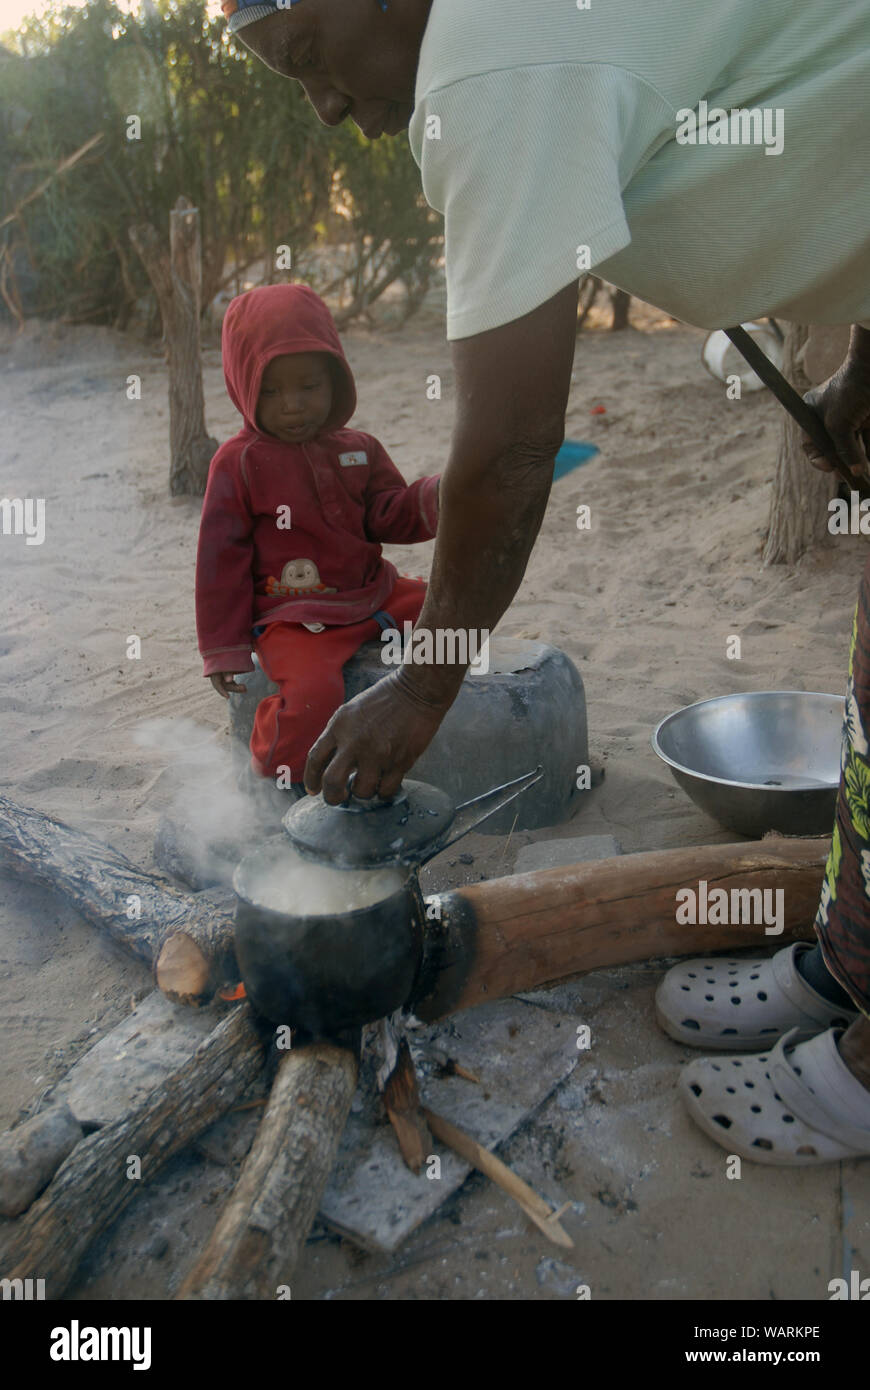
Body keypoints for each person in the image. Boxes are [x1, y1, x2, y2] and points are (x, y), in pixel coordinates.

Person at [225, 0, 870, 1164]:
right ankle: (852, 966)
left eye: (311, 56)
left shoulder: (490, 59)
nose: (319, 103)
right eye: (288, 81)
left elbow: (513, 447)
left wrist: (424, 689)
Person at [195, 282, 439, 792]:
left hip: (375, 593)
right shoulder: (237, 463)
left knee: (450, 619)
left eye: (308, 386)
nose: (292, 406)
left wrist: (438, 499)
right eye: (271, 390)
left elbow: (386, 515)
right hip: (296, 616)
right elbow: (220, 562)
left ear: (336, 377)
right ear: (243, 385)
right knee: (311, 701)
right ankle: (268, 760)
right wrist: (223, 647)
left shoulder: (359, 448)